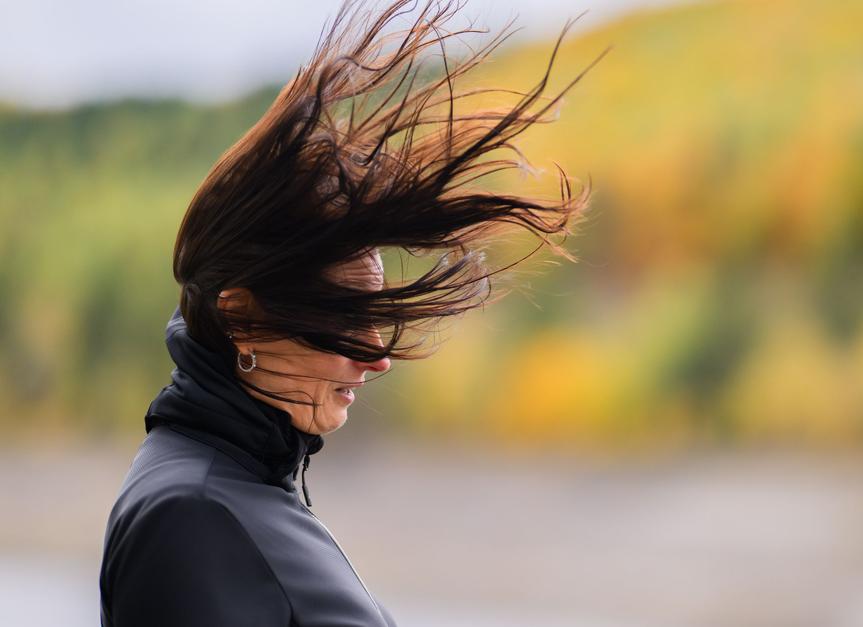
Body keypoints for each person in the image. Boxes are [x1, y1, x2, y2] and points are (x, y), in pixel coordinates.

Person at [98, 1, 603, 624]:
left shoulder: (240, 490)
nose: (379, 357)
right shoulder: (193, 512)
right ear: (244, 320)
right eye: (346, 322)